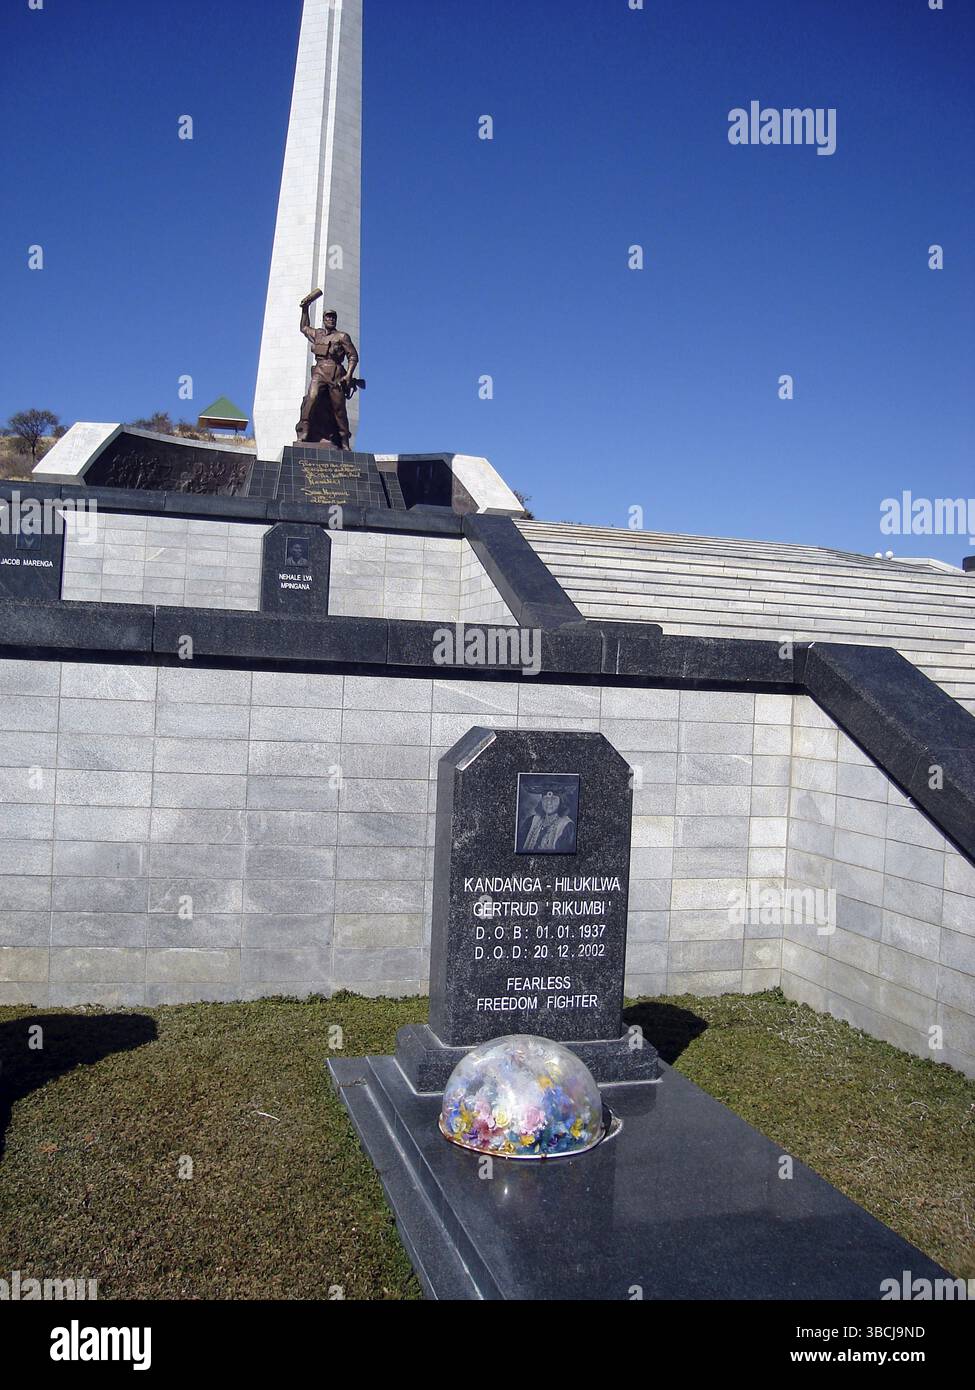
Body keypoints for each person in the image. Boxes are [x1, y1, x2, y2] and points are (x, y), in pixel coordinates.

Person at [295, 297, 359, 450]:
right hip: (319, 371)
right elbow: (304, 327)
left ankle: (344, 439)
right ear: (323, 320)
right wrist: (305, 309)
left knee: (339, 408)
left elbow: (353, 356)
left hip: (336, 373)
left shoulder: (342, 336)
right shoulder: (318, 334)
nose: (331, 319)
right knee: (311, 397)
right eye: (328, 317)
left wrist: (348, 375)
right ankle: (303, 430)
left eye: (333, 317)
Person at [518, 787, 576, 853]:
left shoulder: (567, 826)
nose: (549, 802)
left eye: (554, 799)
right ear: (541, 801)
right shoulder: (531, 821)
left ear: (561, 801)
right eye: (545, 798)